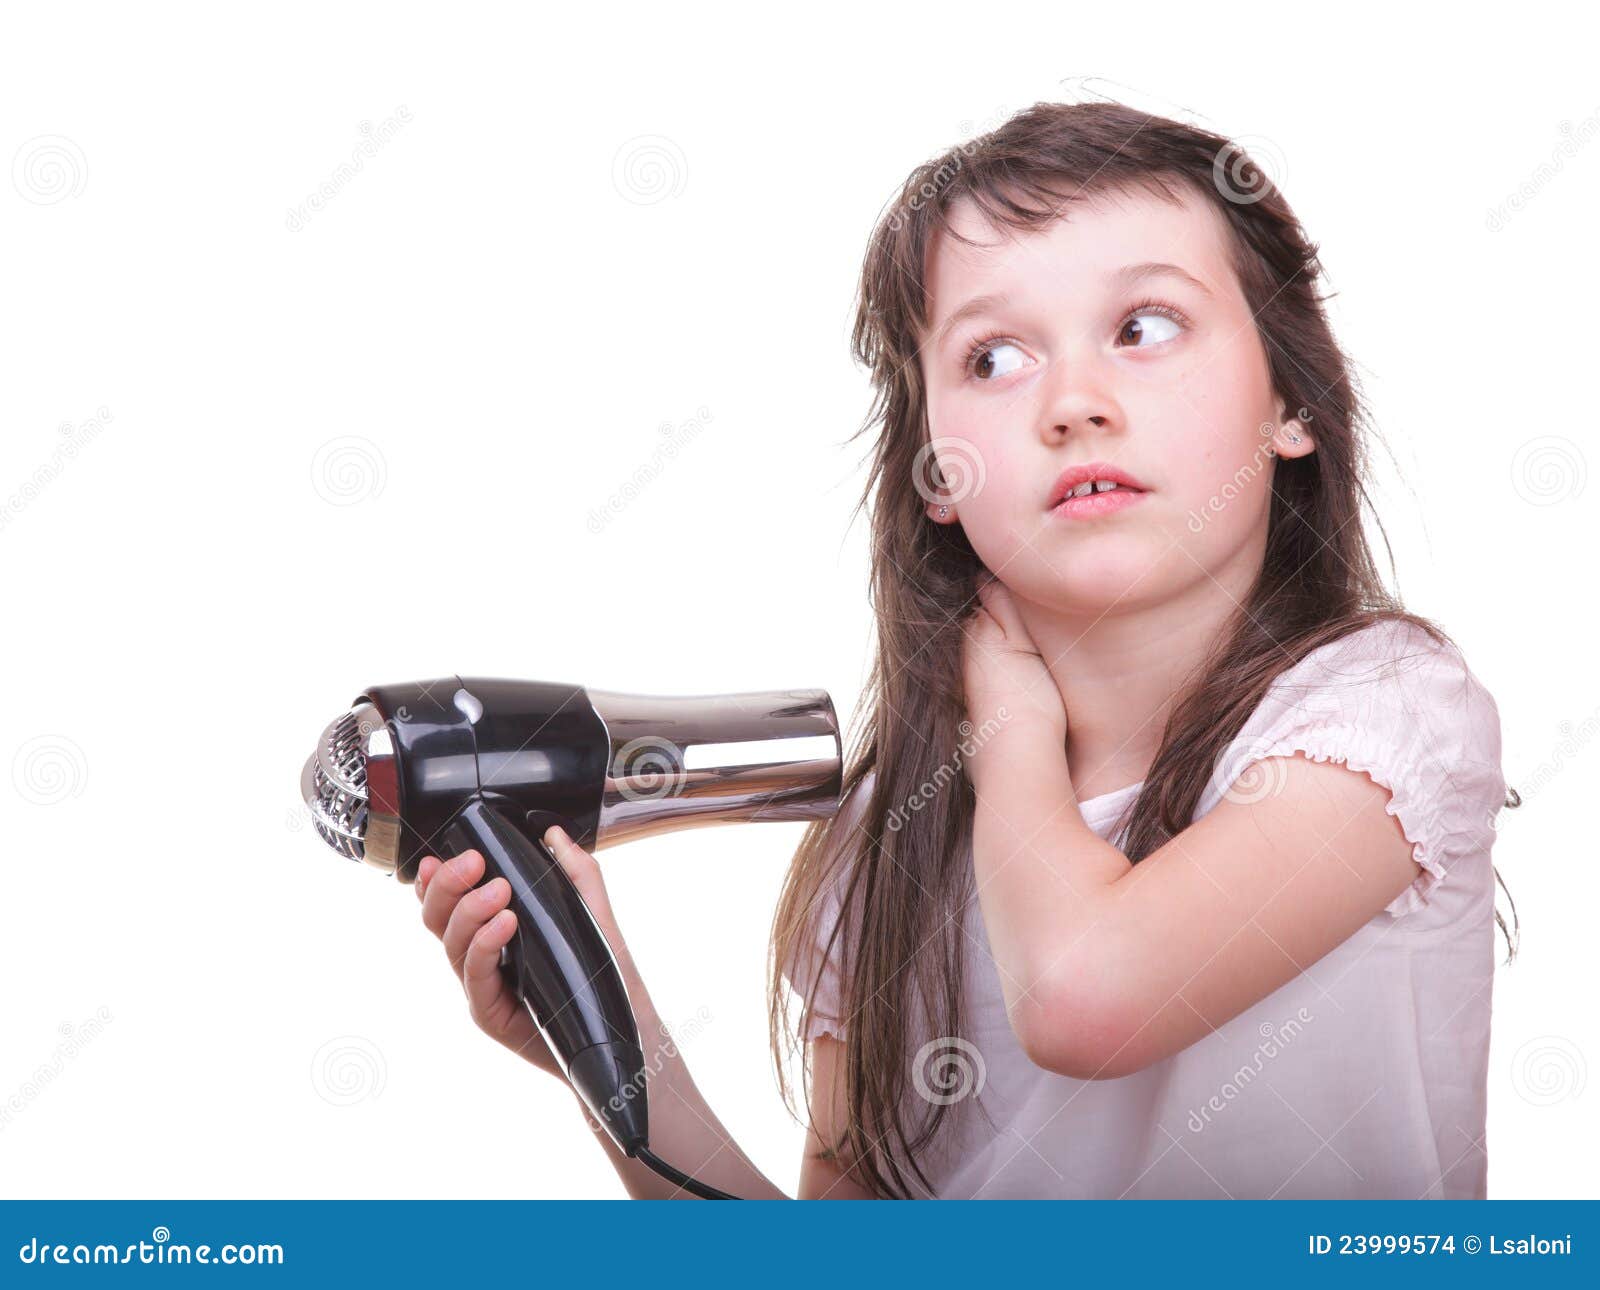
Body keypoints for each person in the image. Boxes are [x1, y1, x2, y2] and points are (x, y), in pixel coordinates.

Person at [417, 99, 1514, 1199]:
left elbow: (1085, 997)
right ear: (936, 473)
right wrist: (612, 1052)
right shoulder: (890, 842)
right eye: (993, 357)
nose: (1074, 404)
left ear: (1292, 403)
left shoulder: (1381, 716)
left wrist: (1012, 724)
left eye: (1143, 327)